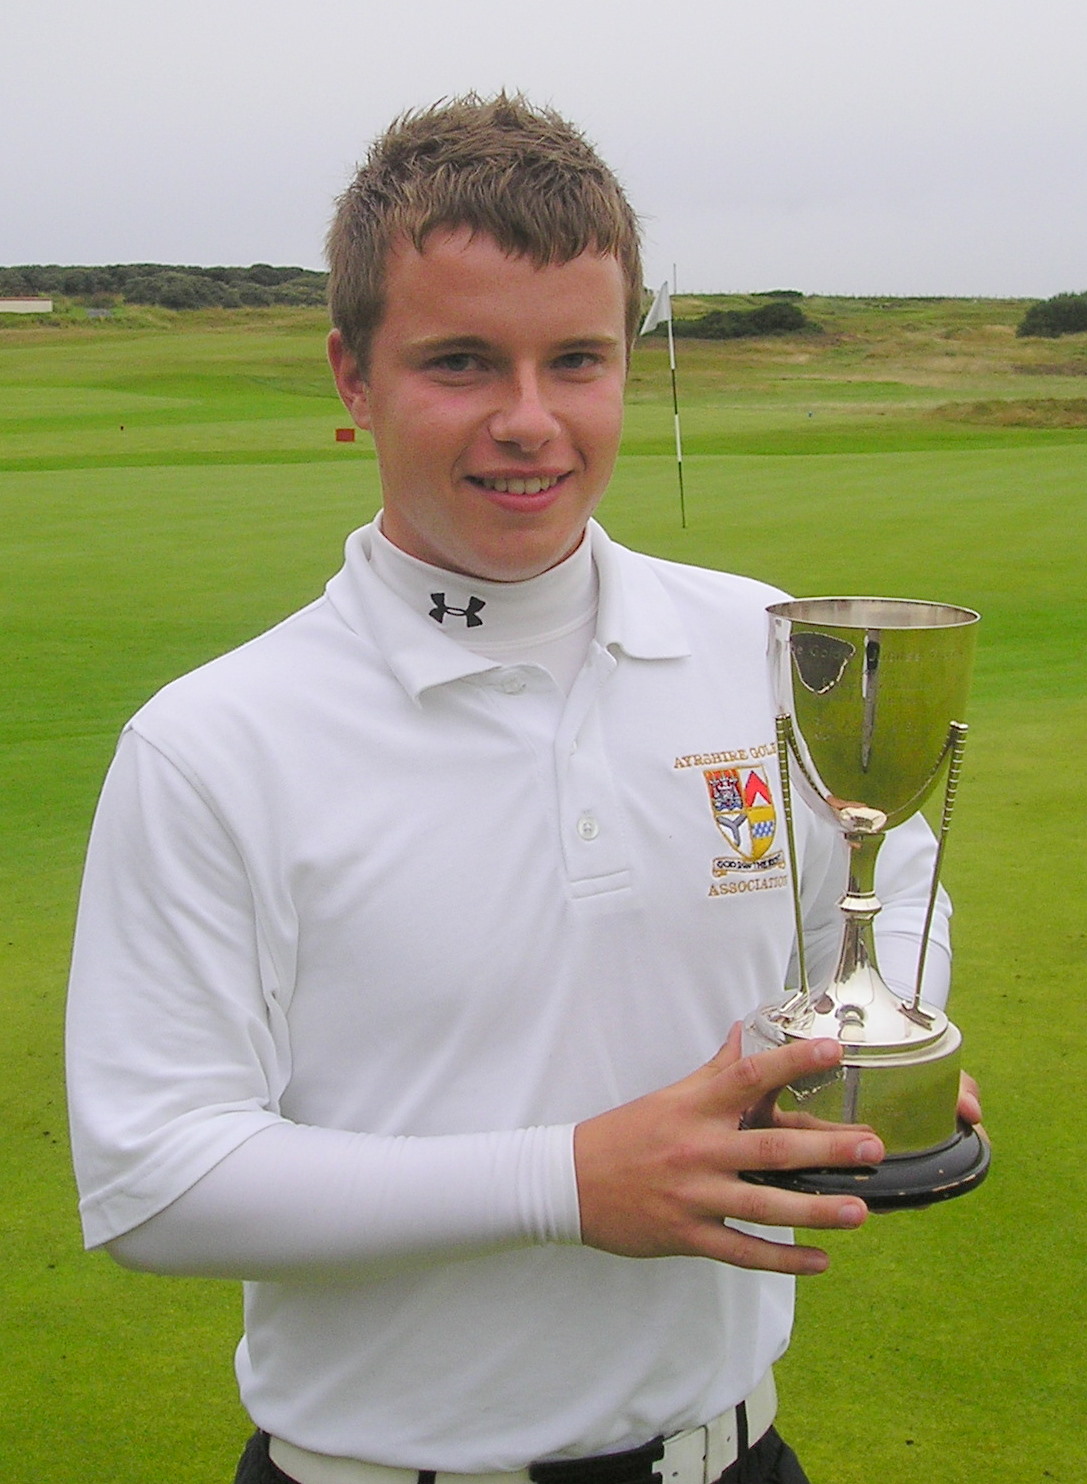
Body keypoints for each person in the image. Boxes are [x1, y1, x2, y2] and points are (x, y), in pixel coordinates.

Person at [65, 95, 979, 1484]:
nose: (530, 422)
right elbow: (157, 1180)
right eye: (459, 362)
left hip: (733, 1456)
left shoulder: (764, 647)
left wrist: (869, 1066)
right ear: (352, 378)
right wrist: (565, 1182)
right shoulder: (217, 741)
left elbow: (884, 902)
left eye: (578, 360)